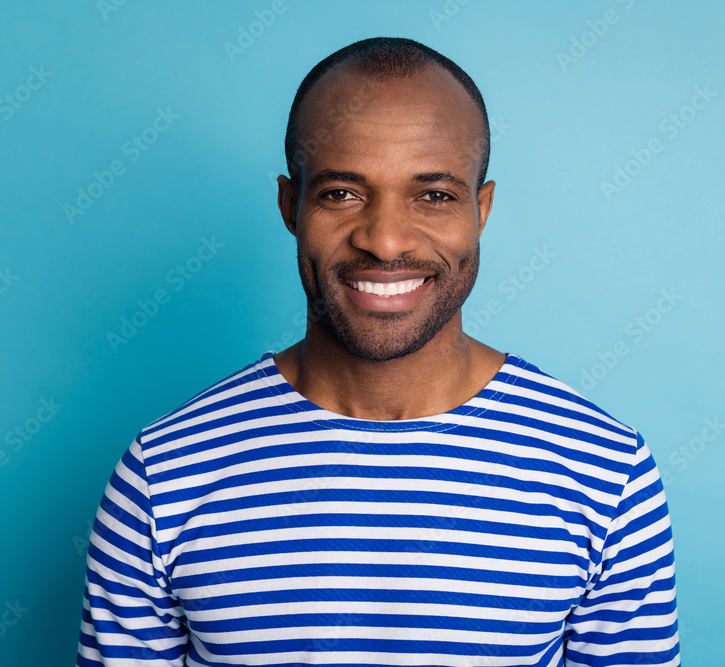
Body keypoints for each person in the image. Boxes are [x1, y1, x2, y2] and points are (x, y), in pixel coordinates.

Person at [76, 36, 680, 667]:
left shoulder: (606, 473)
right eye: (342, 193)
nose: (386, 241)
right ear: (291, 206)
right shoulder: (164, 477)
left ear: (482, 208)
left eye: (435, 195)